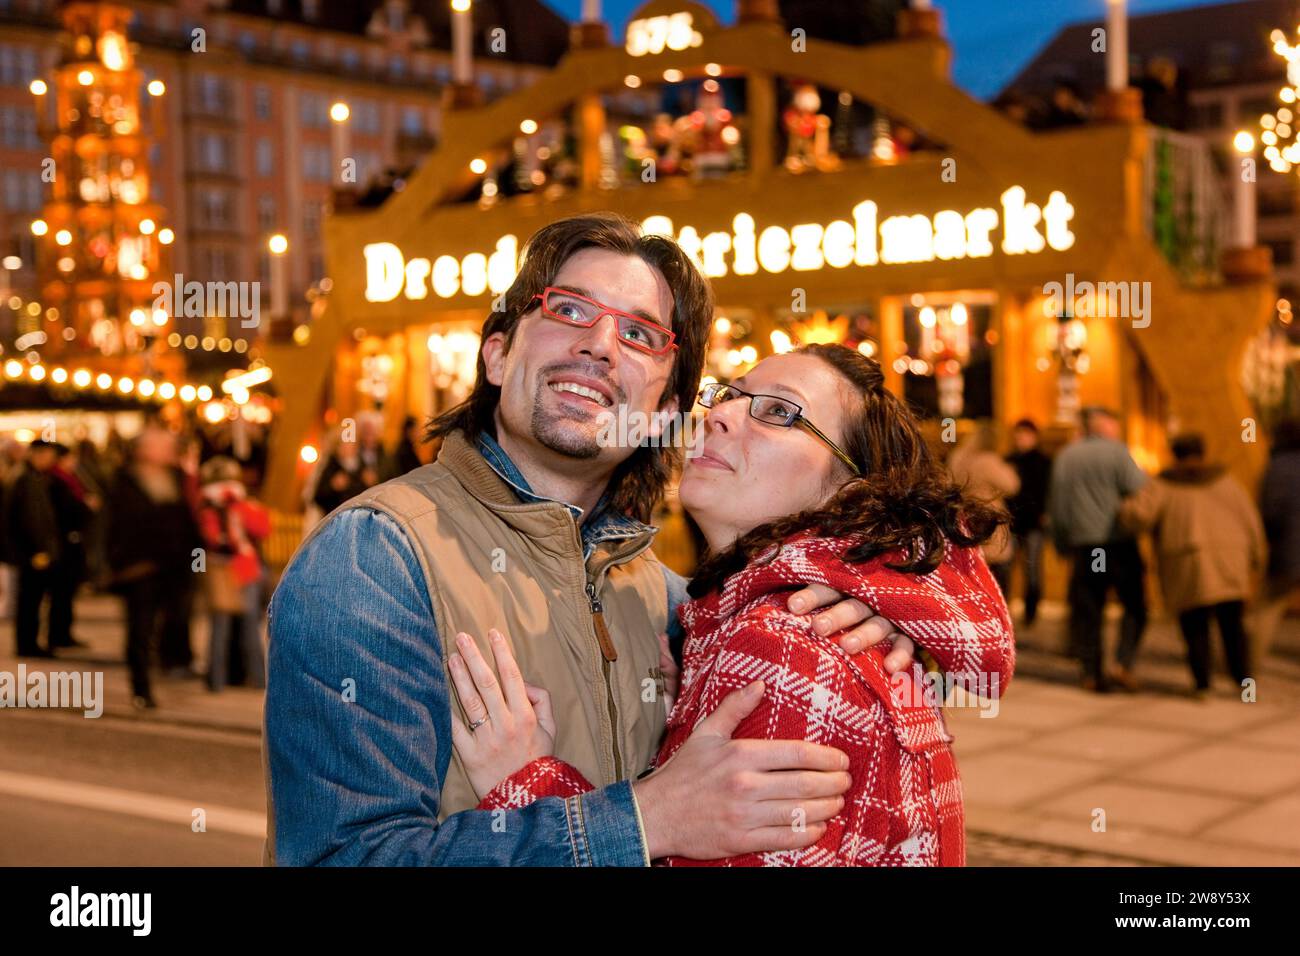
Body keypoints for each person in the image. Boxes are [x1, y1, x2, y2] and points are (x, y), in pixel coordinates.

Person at [266, 212, 918, 867]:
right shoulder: (376, 558)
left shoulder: (673, 606)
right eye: (572, 310)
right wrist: (643, 822)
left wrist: (868, 601)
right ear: (496, 353)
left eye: (639, 333)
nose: (601, 345)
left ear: (664, 412)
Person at [449, 345, 1014, 866]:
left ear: (850, 490)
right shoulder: (781, 620)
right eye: (731, 395)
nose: (718, 416)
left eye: (779, 413)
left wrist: (526, 783)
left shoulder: (784, 648)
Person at [1119, 434, 1265, 697]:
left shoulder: (1164, 484)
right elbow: (1250, 519)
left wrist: (1122, 507)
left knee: (1195, 624)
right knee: (1232, 625)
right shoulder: (1226, 481)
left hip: (1188, 563)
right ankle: (1244, 683)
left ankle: (1203, 683)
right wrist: (1257, 555)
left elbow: (1138, 516)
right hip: (1230, 561)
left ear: (1175, 454)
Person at [1047, 406, 1149, 693]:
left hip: (1087, 548)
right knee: (1135, 605)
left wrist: (1062, 542)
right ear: (1105, 426)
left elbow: (1058, 505)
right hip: (1117, 543)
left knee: (1091, 607)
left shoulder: (1067, 456)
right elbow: (1139, 489)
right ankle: (1123, 662)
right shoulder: (1118, 453)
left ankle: (1091, 672)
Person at [107, 427, 204, 709]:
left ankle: (172, 661)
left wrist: (196, 557)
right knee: (140, 628)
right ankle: (141, 687)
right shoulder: (125, 481)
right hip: (140, 569)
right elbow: (116, 526)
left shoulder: (176, 478)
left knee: (175, 618)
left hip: (174, 567)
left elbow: (189, 520)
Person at [197, 456, 271, 692]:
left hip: (218, 569)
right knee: (250, 624)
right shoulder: (240, 503)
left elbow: (208, 538)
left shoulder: (205, 505)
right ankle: (258, 679)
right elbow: (263, 528)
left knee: (219, 625)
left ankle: (215, 679)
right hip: (245, 568)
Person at [947, 420, 1019, 600]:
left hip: (962, 515)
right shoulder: (989, 460)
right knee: (997, 568)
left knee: (970, 568)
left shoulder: (958, 457)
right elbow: (1012, 485)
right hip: (988, 516)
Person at [7, 440, 62, 658]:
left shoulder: (30, 476)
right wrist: (39, 549)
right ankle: (27, 644)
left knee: (31, 598)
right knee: (30, 599)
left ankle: (28, 643)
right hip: (31, 551)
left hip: (30, 549)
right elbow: (31, 518)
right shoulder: (26, 478)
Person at [47, 443, 98, 650]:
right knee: (60, 592)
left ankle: (63, 633)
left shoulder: (68, 480)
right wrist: (86, 506)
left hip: (72, 541)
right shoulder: (57, 481)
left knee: (66, 592)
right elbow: (66, 511)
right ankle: (57, 635)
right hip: (64, 542)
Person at [1256, 418, 1300, 658]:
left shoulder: (1276, 468)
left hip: (1287, 551)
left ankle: (1249, 668)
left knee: (1266, 610)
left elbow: (1268, 512)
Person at [1005, 418, 1052, 625]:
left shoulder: (1043, 461)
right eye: (1018, 435)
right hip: (1012, 523)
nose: (1020, 439)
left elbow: (1048, 492)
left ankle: (1031, 612)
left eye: (1024, 435)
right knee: (1006, 568)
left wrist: (1045, 514)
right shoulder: (1009, 460)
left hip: (1033, 523)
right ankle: (1005, 610)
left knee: (1032, 570)